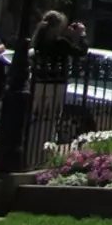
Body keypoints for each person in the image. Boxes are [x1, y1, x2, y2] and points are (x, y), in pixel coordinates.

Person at [28, 10, 88, 161]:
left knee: (37, 116)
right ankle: (44, 153)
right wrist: (81, 35)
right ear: (58, 26)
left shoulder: (39, 40)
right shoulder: (60, 42)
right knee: (51, 118)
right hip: (56, 83)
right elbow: (80, 52)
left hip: (39, 81)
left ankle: (32, 151)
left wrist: (68, 37)